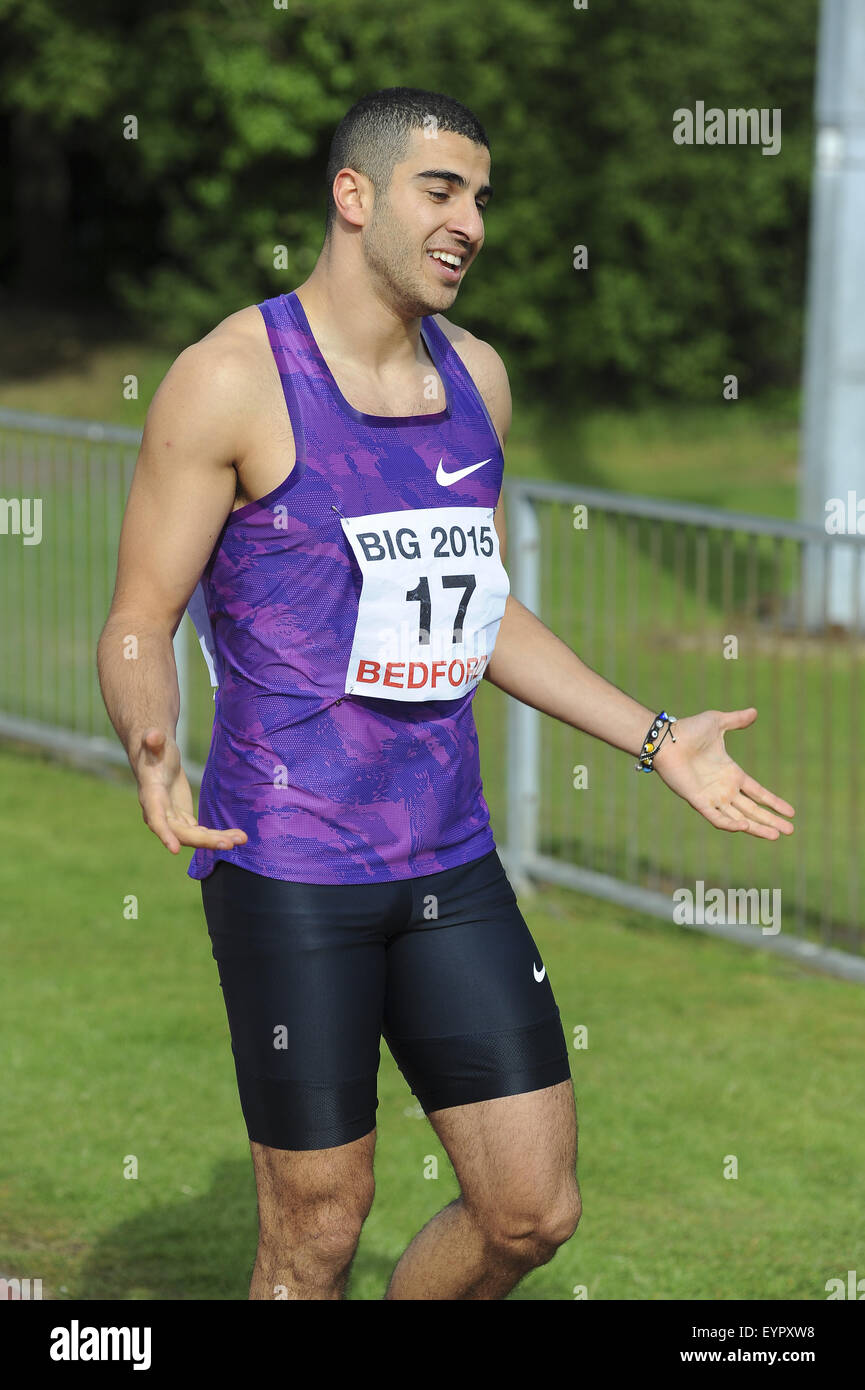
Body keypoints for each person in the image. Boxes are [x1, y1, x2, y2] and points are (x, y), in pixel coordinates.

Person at [97, 86, 795, 1301]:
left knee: (530, 1211)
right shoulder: (229, 379)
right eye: (441, 189)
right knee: (314, 1234)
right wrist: (148, 737)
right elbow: (137, 618)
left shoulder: (478, 378)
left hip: (447, 858)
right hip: (292, 863)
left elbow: (484, 611)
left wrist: (658, 737)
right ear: (353, 196)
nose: (471, 219)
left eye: (481, 196)